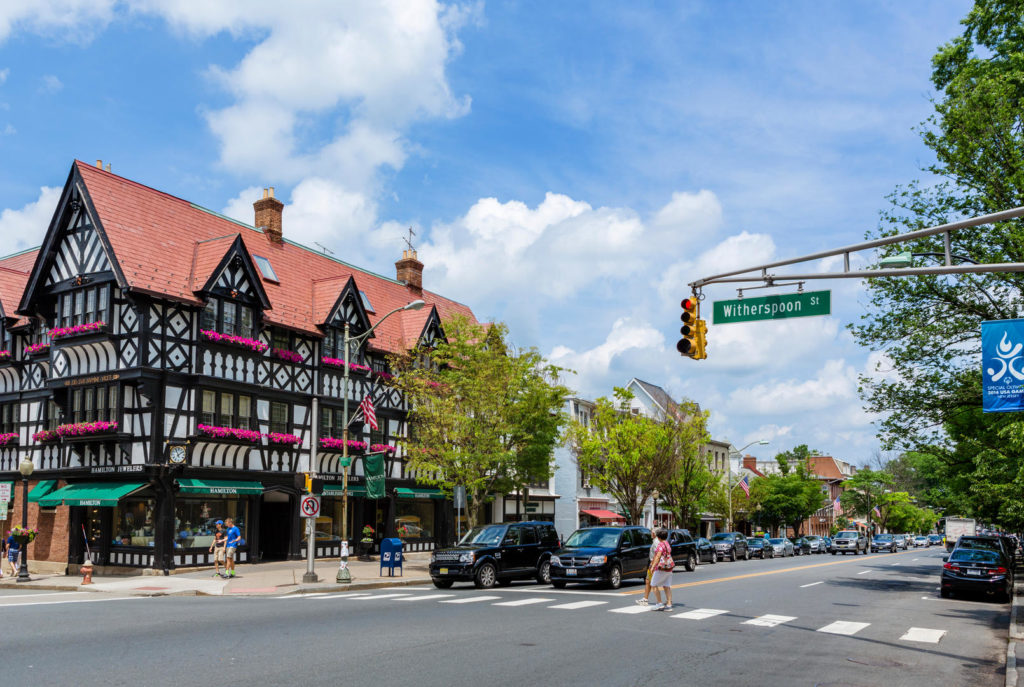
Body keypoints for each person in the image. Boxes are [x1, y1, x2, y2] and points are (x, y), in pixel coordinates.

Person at [649, 528, 675, 612]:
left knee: (653, 584)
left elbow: (658, 556)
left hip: (661, 568)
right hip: (669, 567)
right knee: (666, 586)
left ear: (658, 537)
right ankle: (669, 605)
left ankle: (659, 603)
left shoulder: (660, 545)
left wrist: (653, 566)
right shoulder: (667, 543)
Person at [636, 530, 660, 606]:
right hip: (653, 563)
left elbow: (657, 554)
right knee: (648, 581)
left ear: (654, 533)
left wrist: (652, 565)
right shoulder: (656, 541)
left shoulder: (656, 542)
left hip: (653, 563)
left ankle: (659, 601)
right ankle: (645, 599)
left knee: (652, 582)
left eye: (652, 532)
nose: (651, 534)